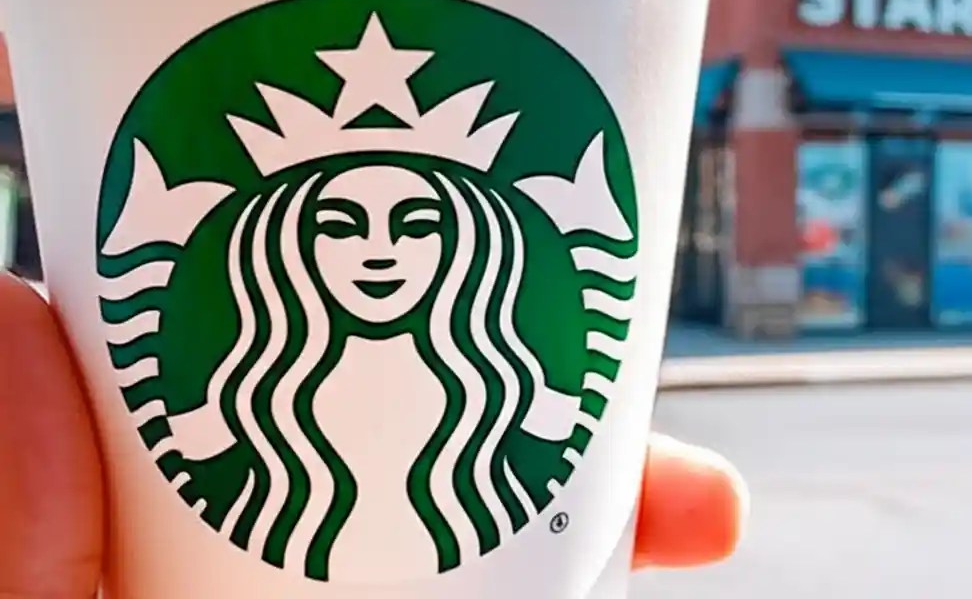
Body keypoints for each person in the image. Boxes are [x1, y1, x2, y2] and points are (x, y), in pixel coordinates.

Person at [0, 272, 748, 596]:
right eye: (340, 225)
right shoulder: (230, 406)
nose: (380, 251)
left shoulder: (521, 403)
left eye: (417, 224)